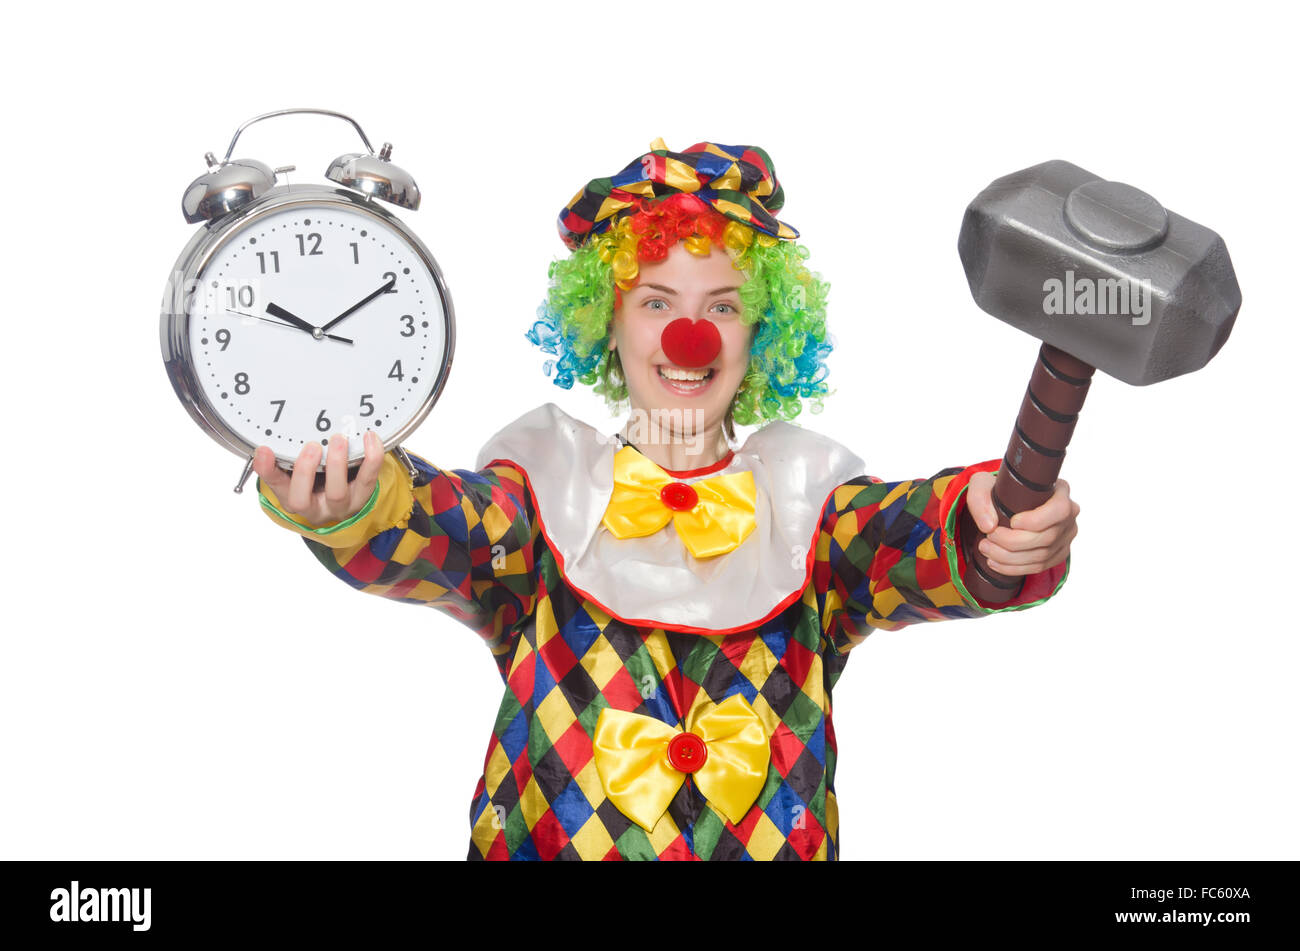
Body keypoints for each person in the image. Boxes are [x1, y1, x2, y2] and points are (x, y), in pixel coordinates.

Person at [251, 138, 1078, 860]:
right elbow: (436, 526)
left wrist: (990, 523)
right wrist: (354, 504)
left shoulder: (813, 511)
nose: (691, 338)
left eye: (723, 306)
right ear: (606, 322)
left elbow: (912, 537)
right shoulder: (542, 502)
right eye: (656, 303)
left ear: (763, 333)